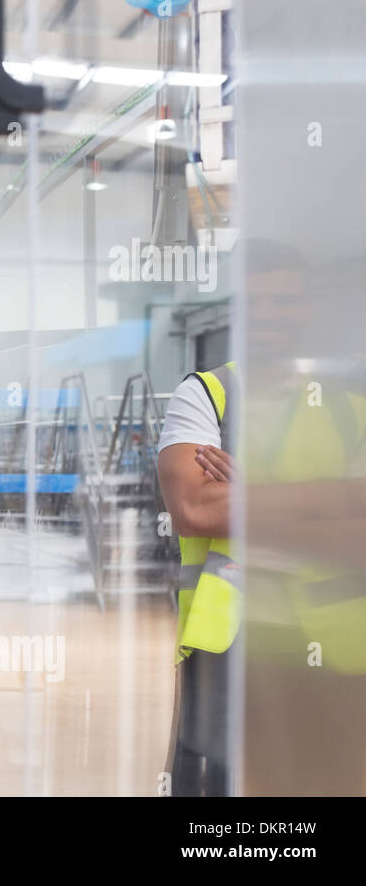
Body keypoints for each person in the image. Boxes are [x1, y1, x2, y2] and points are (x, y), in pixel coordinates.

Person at [157, 241, 366, 795]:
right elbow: (196, 509)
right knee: (221, 800)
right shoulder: (206, 395)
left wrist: (248, 499)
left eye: (286, 302)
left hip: (338, 649)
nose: (272, 314)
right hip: (232, 644)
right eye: (259, 301)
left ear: (307, 309)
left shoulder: (350, 405)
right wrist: (335, 496)